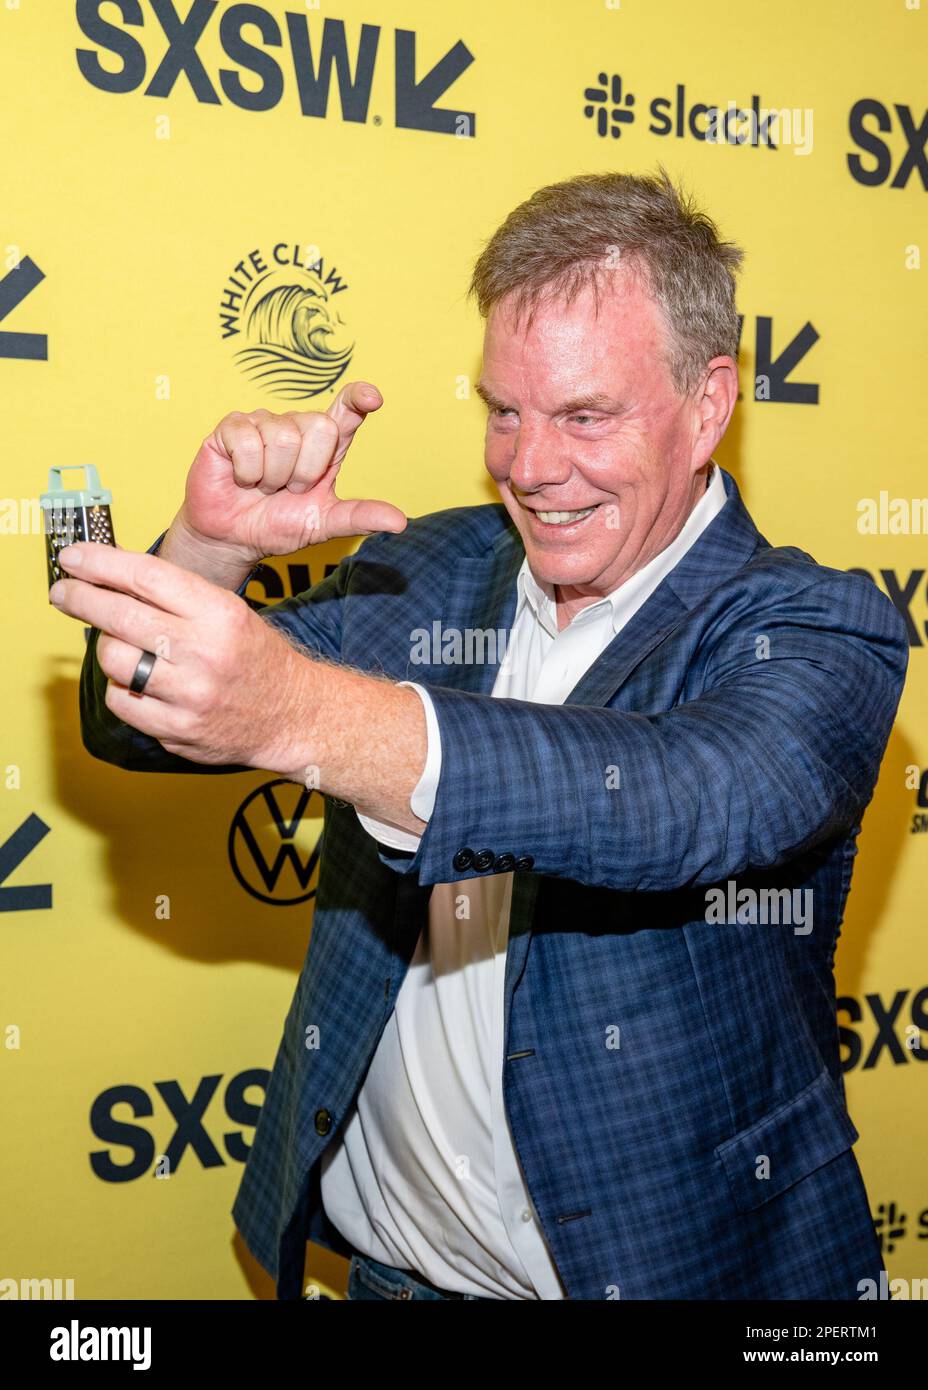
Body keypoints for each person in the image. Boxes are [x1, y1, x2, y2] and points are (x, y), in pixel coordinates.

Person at [53, 167, 908, 1301]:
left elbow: (687, 800)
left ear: (709, 404)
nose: (530, 465)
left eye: (584, 416)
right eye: (504, 410)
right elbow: (140, 731)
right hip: (381, 1280)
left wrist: (305, 711)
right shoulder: (431, 564)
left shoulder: (812, 622)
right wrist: (208, 555)